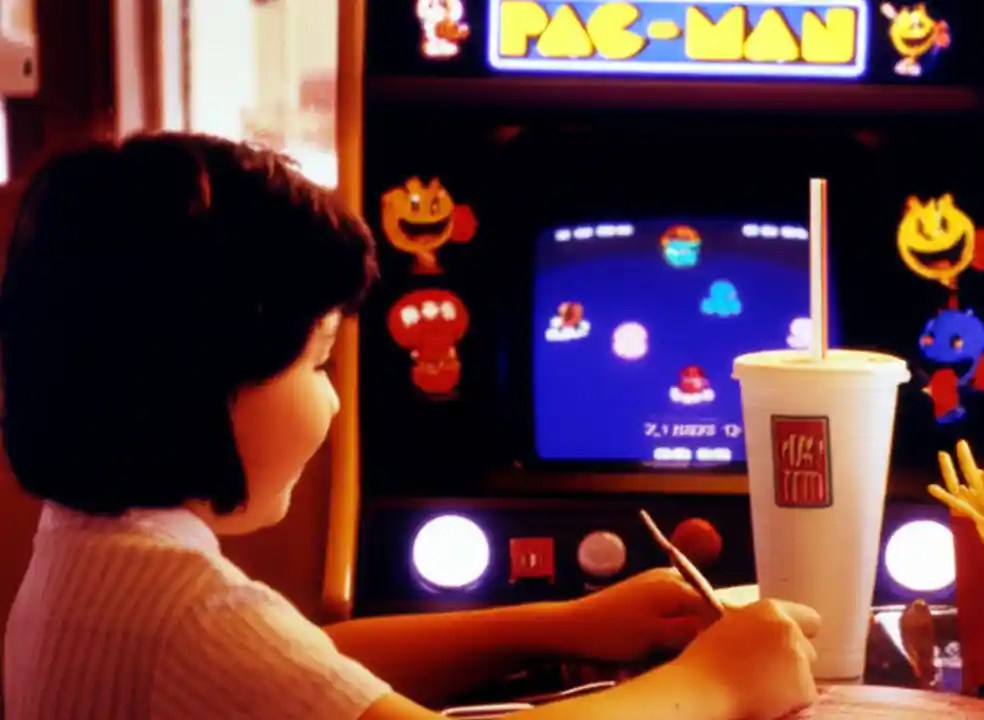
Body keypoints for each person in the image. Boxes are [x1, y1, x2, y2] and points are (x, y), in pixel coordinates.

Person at [0, 133, 821, 720]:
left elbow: (314, 666)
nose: (335, 402)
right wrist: (722, 684)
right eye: (318, 364)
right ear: (201, 381)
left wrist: (566, 622)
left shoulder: (91, 548)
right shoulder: (192, 618)